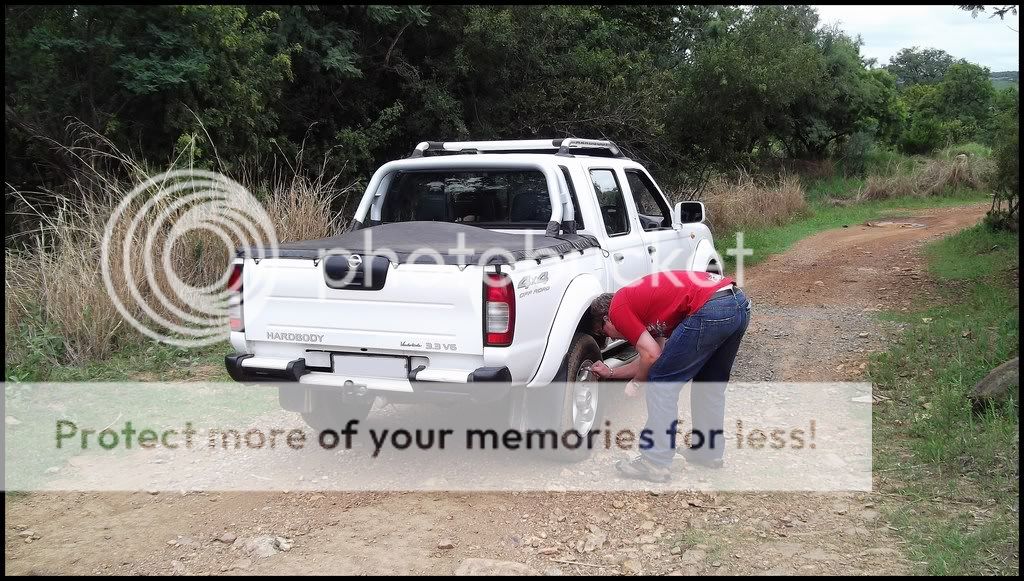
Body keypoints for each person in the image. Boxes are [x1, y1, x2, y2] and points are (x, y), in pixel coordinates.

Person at [588, 270, 751, 482]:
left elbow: (651, 357)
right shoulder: (646, 312)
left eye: (605, 333)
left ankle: (655, 462)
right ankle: (708, 452)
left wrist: (637, 384)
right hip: (737, 303)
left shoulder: (618, 307)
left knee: (661, 384)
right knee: (709, 385)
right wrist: (612, 373)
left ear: (606, 318)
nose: (611, 338)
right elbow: (655, 356)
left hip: (711, 307)